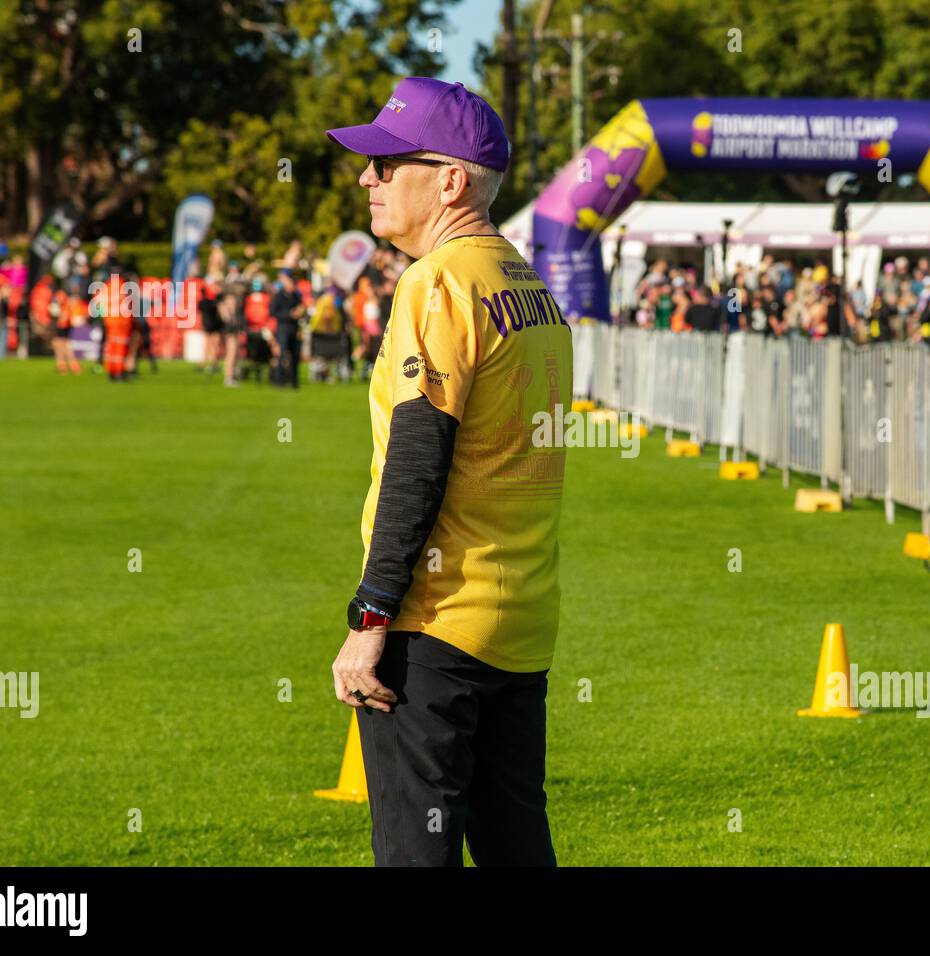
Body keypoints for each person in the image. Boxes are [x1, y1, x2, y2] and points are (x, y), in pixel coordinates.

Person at [326, 75, 571, 867]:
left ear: (451, 180)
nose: (368, 178)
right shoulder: (528, 282)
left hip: (437, 620)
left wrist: (370, 619)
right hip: (521, 616)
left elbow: (417, 462)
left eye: (388, 163)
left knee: (414, 853)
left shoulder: (437, 281)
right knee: (514, 846)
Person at [268, 269, 305, 388]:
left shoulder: (296, 295)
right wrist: (289, 314)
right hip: (283, 328)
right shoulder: (279, 296)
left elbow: (301, 308)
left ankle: (294, 382)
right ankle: (279, 380)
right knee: (281, 355)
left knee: (295, 356)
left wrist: (300, 312)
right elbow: (273, 312)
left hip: (294, 328)